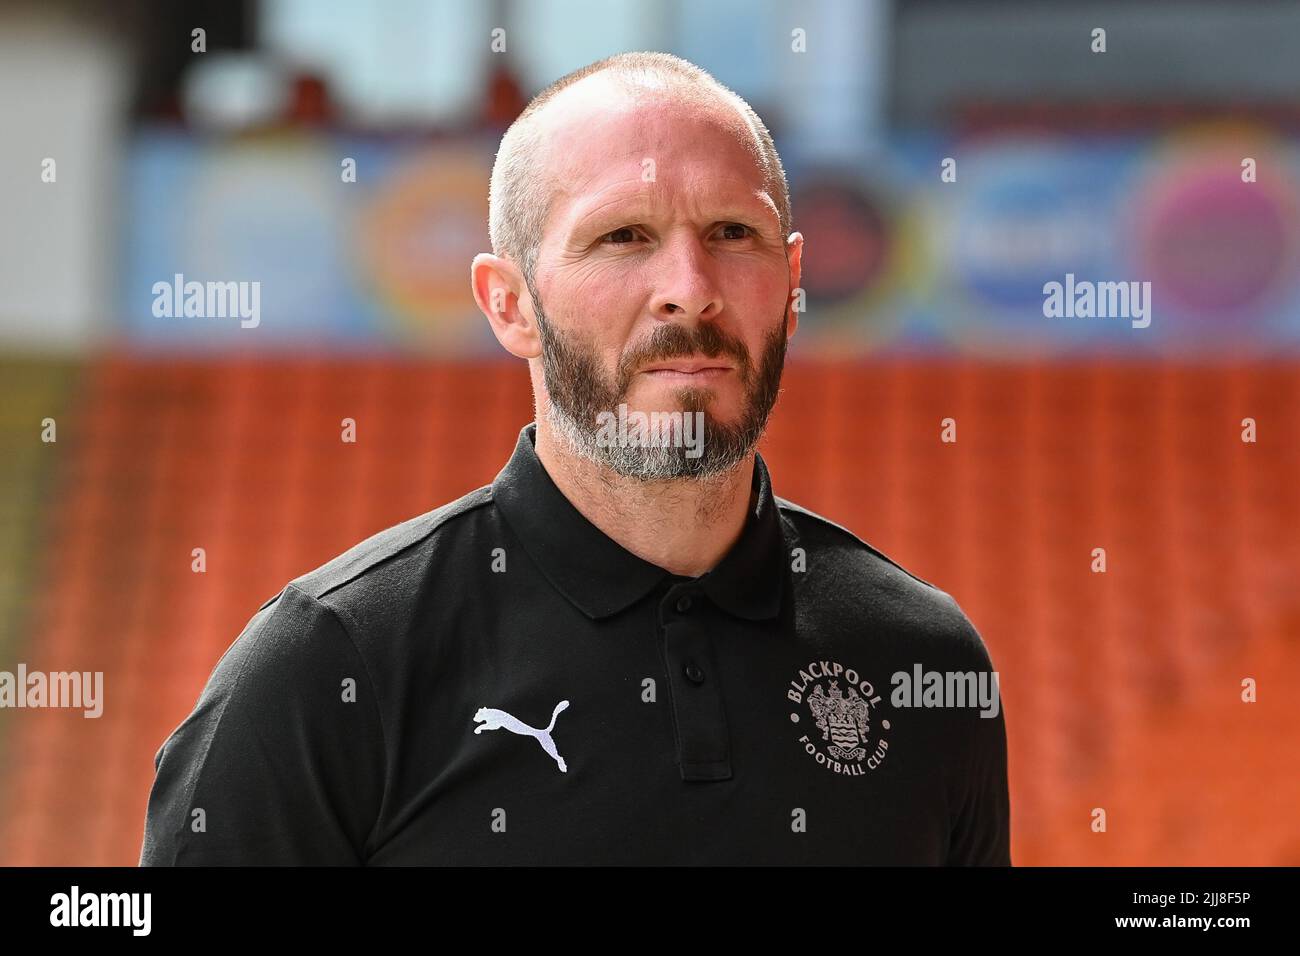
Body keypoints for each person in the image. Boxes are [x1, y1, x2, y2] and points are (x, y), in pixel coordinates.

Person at [139, 51, 1010, 866]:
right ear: (509, 303)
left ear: (791, 287)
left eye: (733, 233)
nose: (692, 287)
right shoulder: (328, 668)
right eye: (624, 236)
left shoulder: (924, 662)